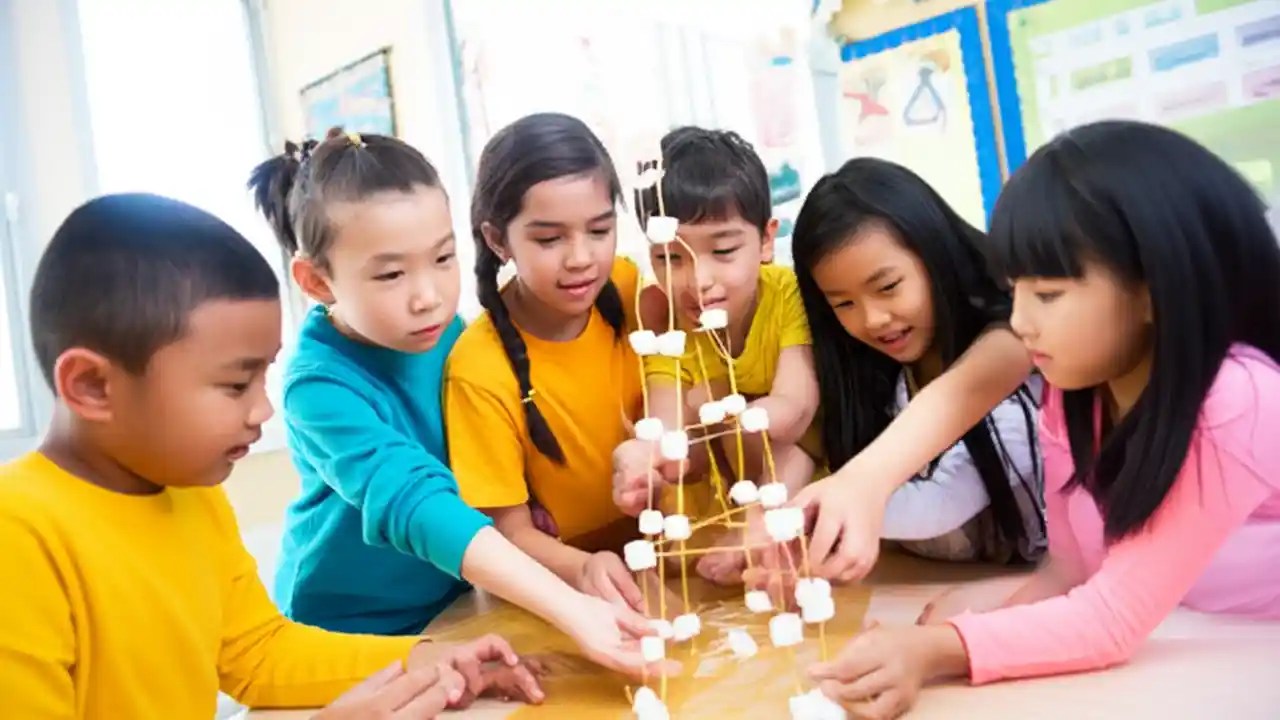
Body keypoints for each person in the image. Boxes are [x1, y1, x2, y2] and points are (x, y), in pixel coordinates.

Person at [0, 193, 541, 719]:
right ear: (93, 385)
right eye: (236, 385)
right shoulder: (18, 534)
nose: (263, 410)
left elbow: (256, 653)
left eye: (264, 377)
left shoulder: (191, 494)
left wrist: (425, 658)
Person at [808, 121, 1280, 719]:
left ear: (1151, 291)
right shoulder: (1074, 392)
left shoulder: (1237, 399)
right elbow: (1073, 568)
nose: (1022, 321)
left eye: (1049, 294)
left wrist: (936, 650)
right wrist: (980, 618)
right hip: (1194, 648)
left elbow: (1111, 618)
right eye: (1016, 290)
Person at [248, 130, 667, 676]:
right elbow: (416, 501)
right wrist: (572, 605)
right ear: (315, 280)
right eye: (392, 273)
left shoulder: (452, 338)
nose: (429, 295)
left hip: (458, 607)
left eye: (443, 258)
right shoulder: (317, 386)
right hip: (349, 634)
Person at [785, 157, 1044, 573]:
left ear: (934, 253)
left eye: (888, 287)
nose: (873, 319)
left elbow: (956, 399)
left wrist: (817, 514)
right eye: (843, 303)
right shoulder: (871, 370)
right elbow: (808, 440)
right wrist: (759, 520)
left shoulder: (1017, 336)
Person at [444, 113, 656, 610]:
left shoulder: (629, 288)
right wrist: (582, 566)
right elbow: (507, 534)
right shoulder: (478, 369)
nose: (581, 258)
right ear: (498, 240)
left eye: (600, 230)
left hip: (666, 559)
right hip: (564, 589)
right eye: (549, 239)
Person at [610, 126, 821, 586]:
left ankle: (758, 527)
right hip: (716, 492)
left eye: (723, 251)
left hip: (791, 479)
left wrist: (726, 406)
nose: (696, 279)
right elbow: (668, 424)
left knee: (791, 446)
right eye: (670, 259)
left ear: (767, 241)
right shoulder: (667, 321)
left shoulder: (787, 294)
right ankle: (740, 531)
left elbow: (797, 407)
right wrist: (647, 455)